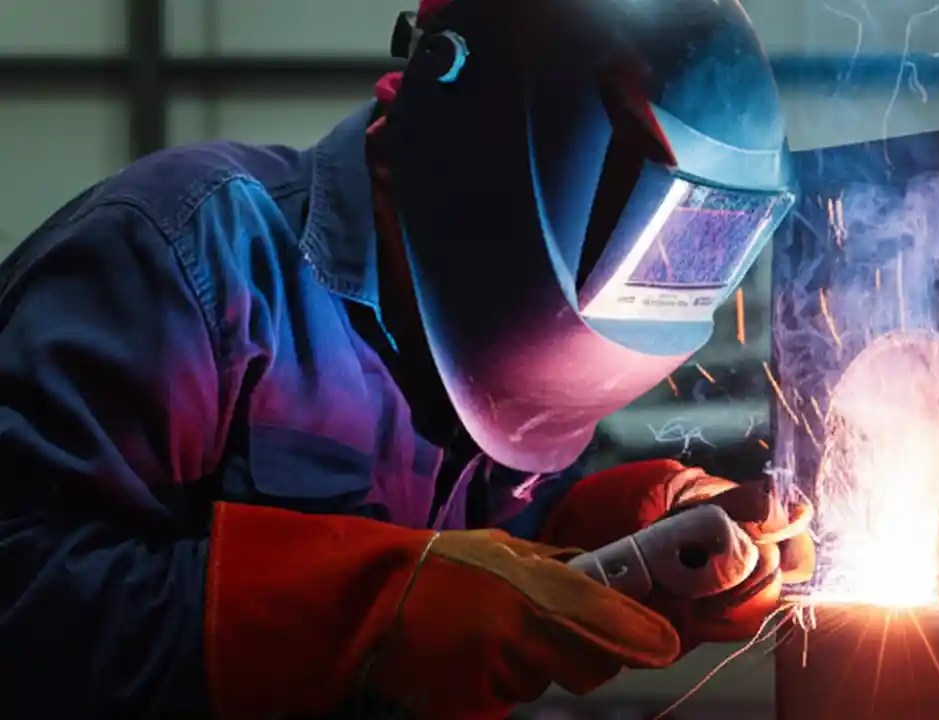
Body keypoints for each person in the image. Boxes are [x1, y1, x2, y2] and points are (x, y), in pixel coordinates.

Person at [0, 0, 813, 718]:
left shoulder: (512, 342)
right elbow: (23, 595)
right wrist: (371, 609)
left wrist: (628, 534)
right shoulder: (189, 262)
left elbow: (507, 536)